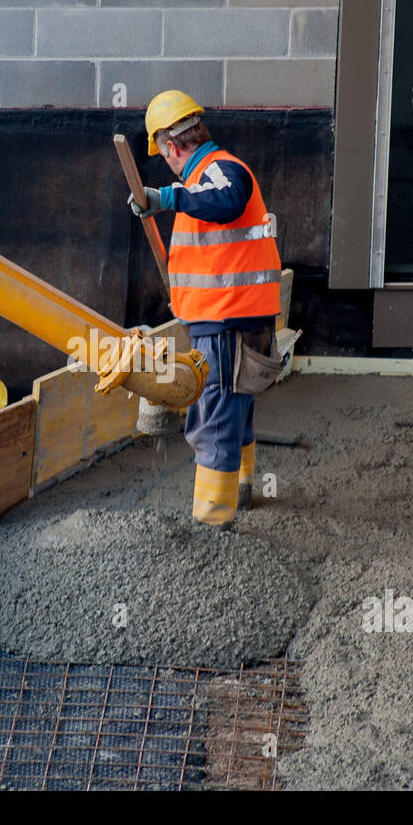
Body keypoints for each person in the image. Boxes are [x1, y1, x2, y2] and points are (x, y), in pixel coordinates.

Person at [128, 90, 282, 528]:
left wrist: (166, 198)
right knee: (238, 409)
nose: (168, 166)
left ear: (172, 147)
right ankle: (244, 491)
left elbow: (228, 199)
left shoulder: (219, 171)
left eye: (165, 157)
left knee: (214, 421)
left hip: (227, 322)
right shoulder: (205, 177)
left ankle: (213, 525)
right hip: (233, 318)